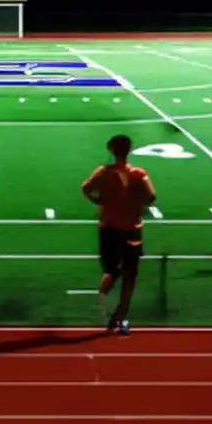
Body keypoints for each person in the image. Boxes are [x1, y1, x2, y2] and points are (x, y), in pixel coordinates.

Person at [81, 134, 156, 335]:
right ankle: (120, 315)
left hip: (109, 228)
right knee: (129, 275)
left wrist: (100, 201)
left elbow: (86, 189)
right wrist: (134, 200)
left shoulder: (103, 173)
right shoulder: (138, 174)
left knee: (112, 269)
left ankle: (109, 305)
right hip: (131, 229)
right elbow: (151, 197)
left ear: (112, 150)